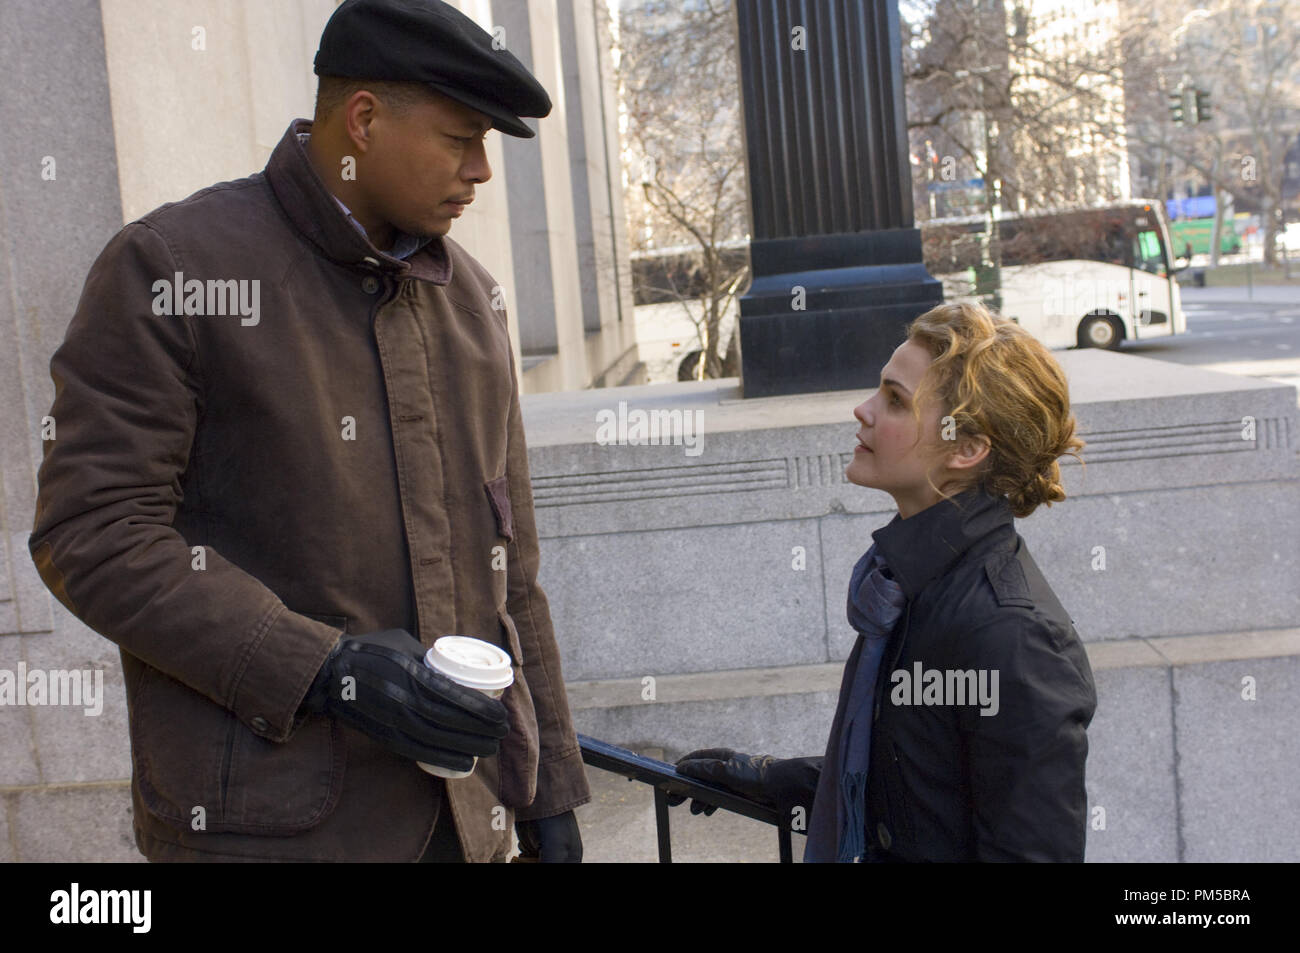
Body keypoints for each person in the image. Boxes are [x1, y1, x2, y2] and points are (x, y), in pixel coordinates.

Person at [28, 0, 590, 862]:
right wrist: (324, 668)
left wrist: (548, 793)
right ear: (363, 119)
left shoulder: (474, 301)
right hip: (267, 837)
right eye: (460, 137)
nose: (481, 170)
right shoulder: (172, 269)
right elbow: (92, 534)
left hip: (470, 828)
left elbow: (512, 579)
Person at [671, 301, 1098, 862]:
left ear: (966, 449)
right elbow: (923, 787)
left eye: (895, 400)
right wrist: (780, 781)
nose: (863, 410)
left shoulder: (1011, 636)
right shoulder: (908, 583)